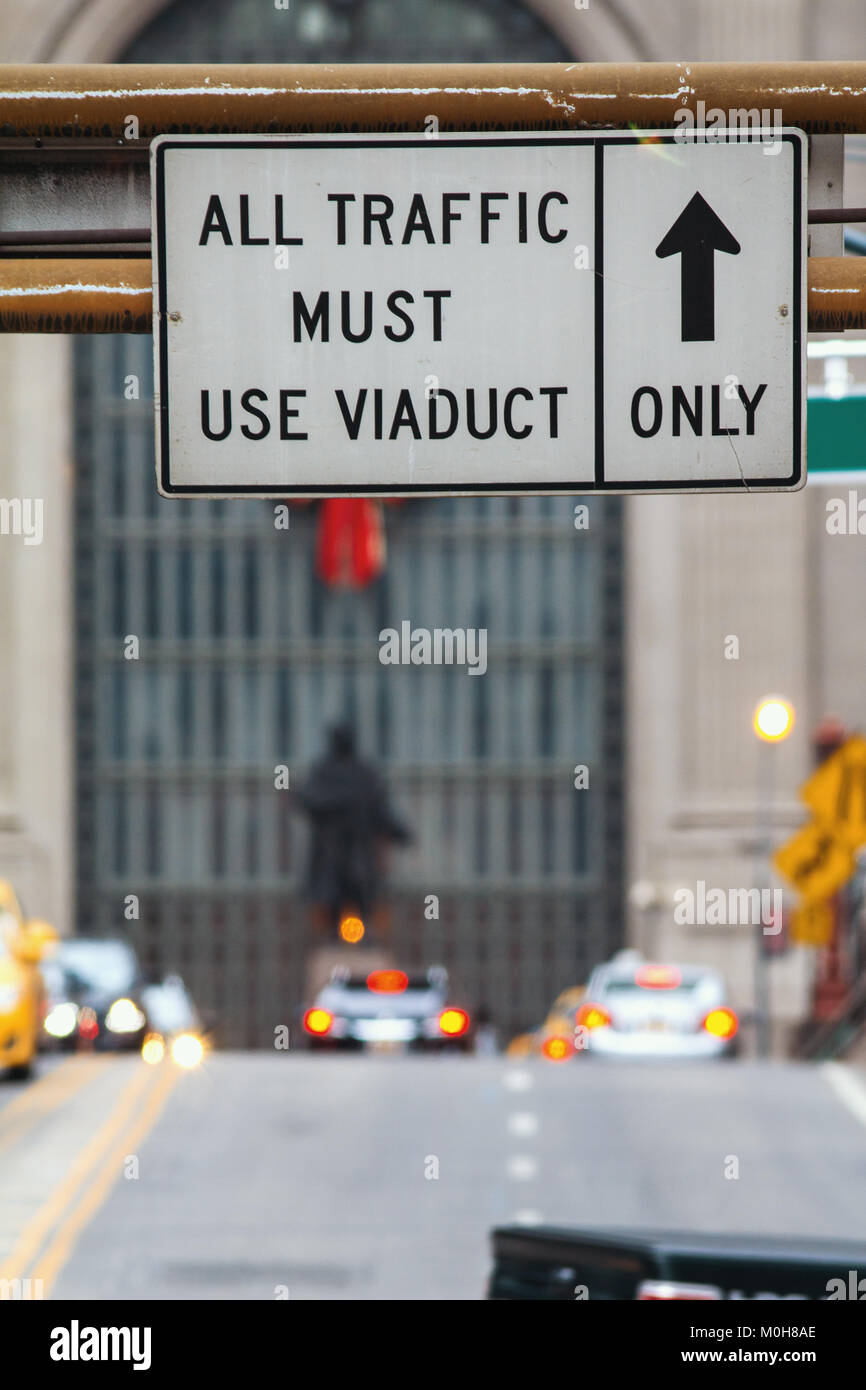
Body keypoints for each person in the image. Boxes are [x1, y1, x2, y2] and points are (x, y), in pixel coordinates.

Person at [294, 723, 411, 935]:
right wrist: (342, 801)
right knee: (332, 897)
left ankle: (363, 936)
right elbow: (307, 800)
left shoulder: (364, 773)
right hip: (331, 850)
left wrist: (399, 833)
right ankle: (333, 936)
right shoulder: (323, 771)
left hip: (359, 847)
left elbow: (380, 811)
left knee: (362, 892)